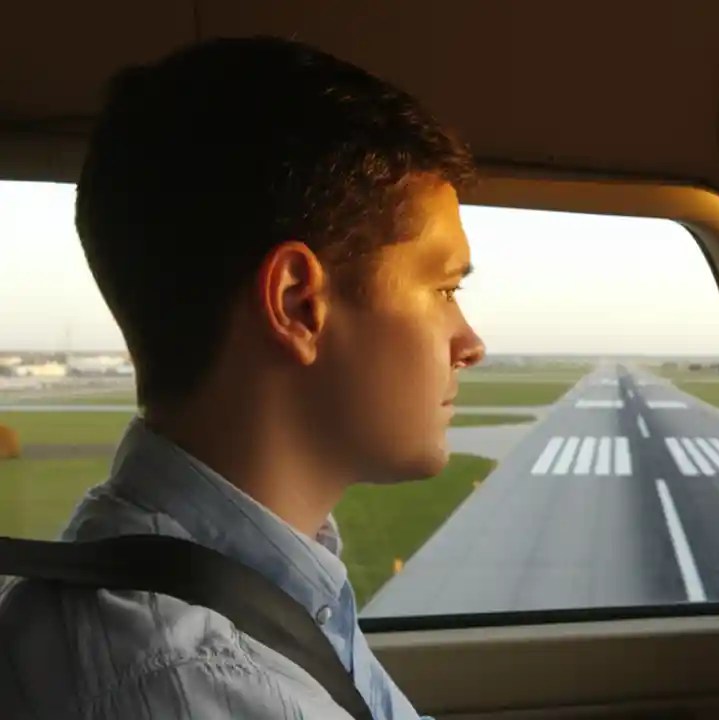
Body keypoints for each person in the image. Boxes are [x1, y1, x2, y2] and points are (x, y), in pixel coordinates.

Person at [0, 35, 484, 719]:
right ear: (298, 306)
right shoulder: (201, 685)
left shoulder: (263, 589)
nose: (470, 342)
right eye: (442, 289)